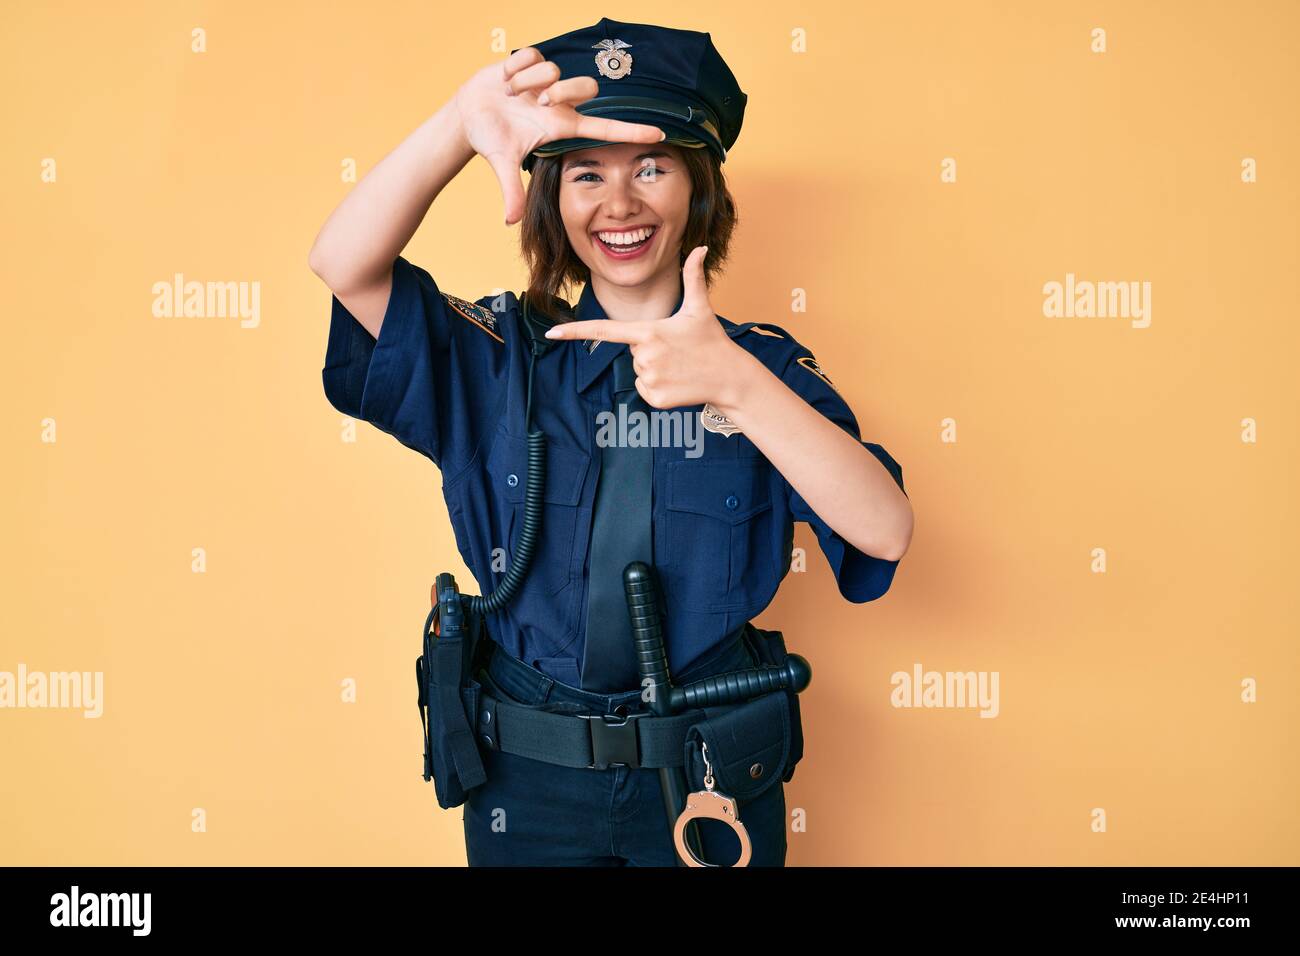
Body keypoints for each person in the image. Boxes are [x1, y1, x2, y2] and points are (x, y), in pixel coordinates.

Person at [309, 17, 913, 867]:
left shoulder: (763, 369)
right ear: (552, 198)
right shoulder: (497, 355)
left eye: (652, 168)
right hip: (528, 783)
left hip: (708, 775)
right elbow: (343, 262)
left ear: (699, 191)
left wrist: (736, 383)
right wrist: (458, 122)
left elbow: (884, 528)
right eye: (586, 172)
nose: (620, 204)